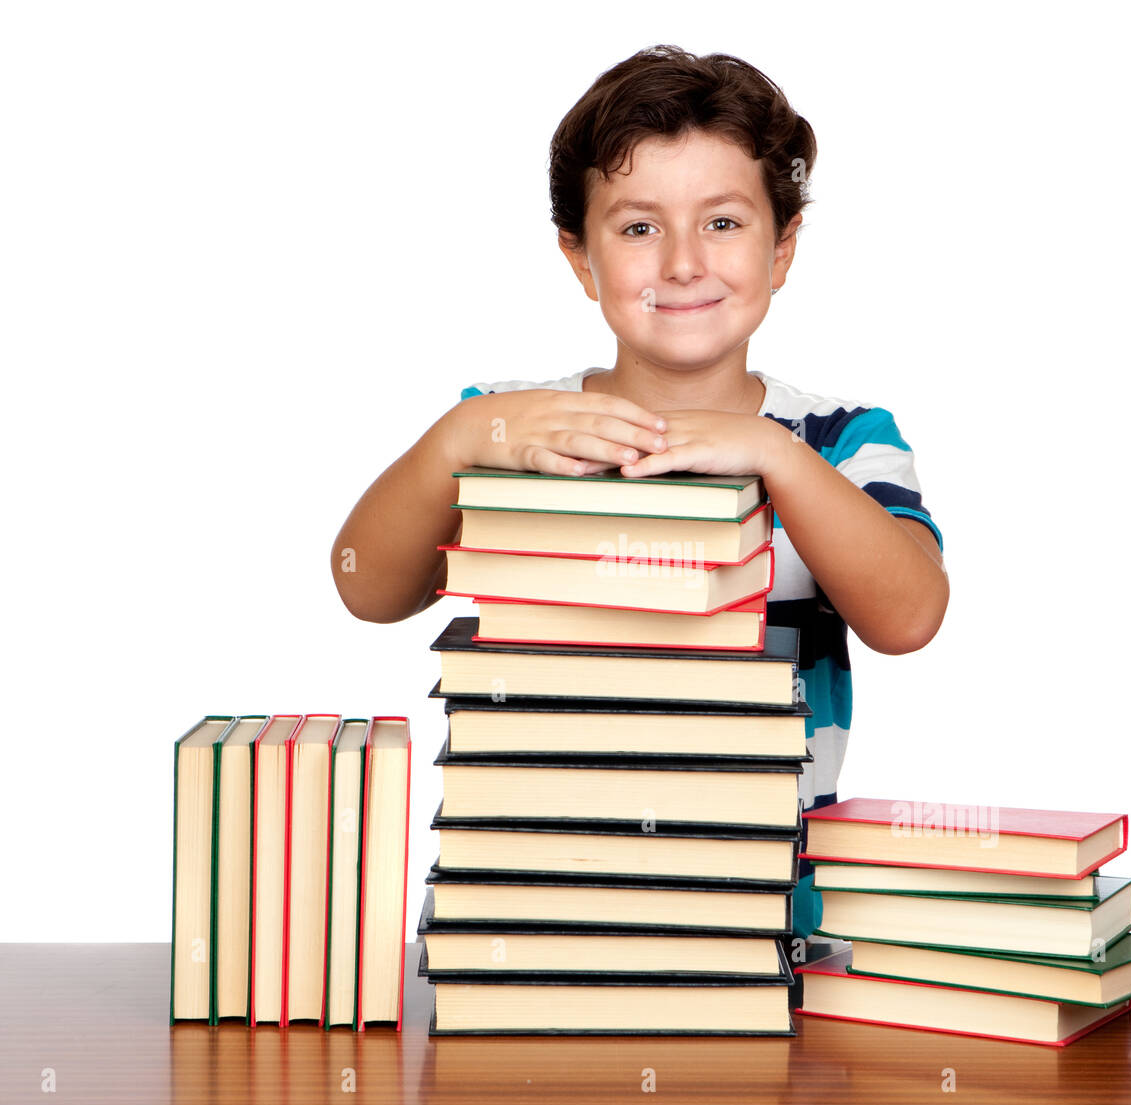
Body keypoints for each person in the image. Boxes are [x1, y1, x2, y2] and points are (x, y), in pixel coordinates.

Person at [331, 44, 949, 954]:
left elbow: (910, 616)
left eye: (725, 223)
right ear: (580, 259)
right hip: (532, 905)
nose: (686, 262)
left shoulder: (843, 441)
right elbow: (368, 588)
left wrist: (773, 456)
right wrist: (458, 443)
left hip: (762, 910)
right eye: (638, 228)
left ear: (782, 250)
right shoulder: (512, 428)